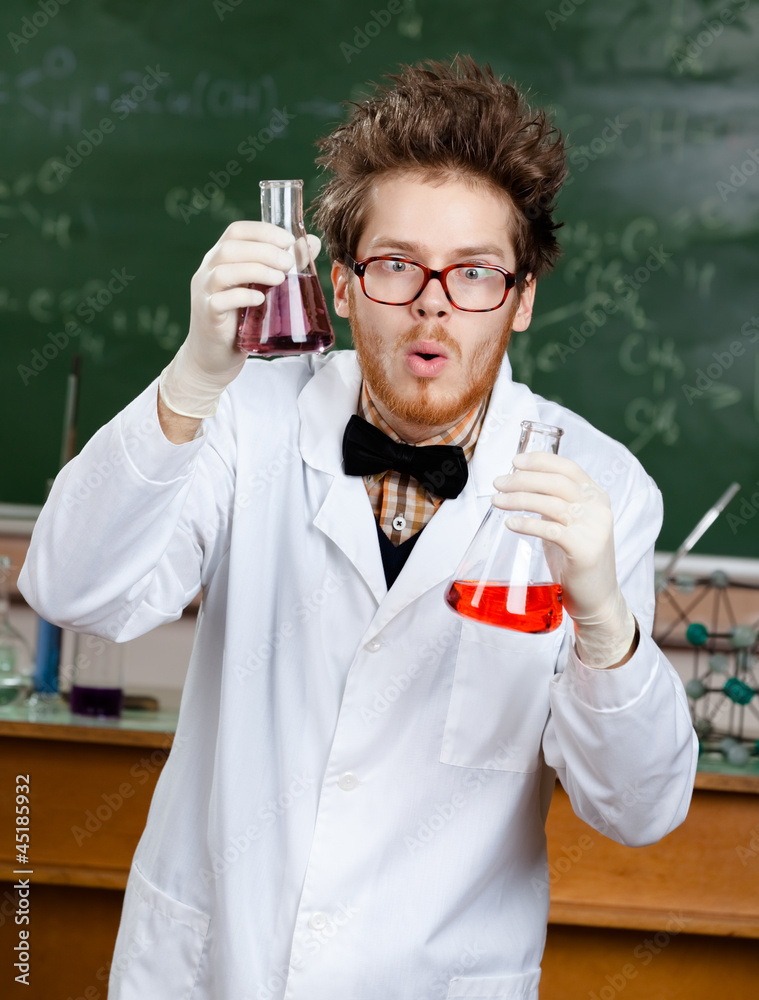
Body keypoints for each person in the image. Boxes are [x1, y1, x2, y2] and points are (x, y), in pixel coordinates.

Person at [20, 56, 697, 1000]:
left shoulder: (602, 488)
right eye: (394, 265)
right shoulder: (244, 416)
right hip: (214, 969)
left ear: (523, 297)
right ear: (339, 286)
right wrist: (188, 382)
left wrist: (602, 624)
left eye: (473, 273)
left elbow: (638, 811)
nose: (431, 302)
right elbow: (73, 591)